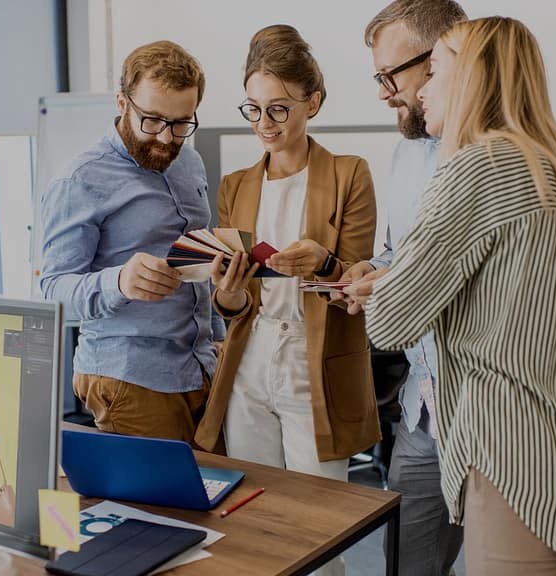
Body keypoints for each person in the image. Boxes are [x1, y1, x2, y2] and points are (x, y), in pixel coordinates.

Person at [354, 16, 556, 576]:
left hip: (506, 457)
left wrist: (392, 285)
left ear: (470, 78)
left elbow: (390, 323)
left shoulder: (474, 167)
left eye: (434, 71)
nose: (422, 90)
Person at [194, 27, 378, 573]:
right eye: (253, 109)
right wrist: (228, 294)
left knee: (318, 527)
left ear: (312, 102)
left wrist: (325, 263)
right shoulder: (235, 185)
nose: (264, 124)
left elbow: (359, 285)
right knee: (254, 520)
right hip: (249, 361)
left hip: (312, 360)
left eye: (278, 109)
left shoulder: (348, 174)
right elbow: (234, 305)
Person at [333, 2, 468, 574]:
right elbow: (400, 252)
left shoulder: (496, 162)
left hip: (485, 412)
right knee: (407, 563)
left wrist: (390, 289)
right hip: (423, 404)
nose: (385, 94)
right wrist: (370, 269)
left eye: (391, 76)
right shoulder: (408, 152)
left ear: (441, 60)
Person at [39, 41, 224, 443]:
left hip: (202, 367)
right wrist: (119, 282)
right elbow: (52, 292)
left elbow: (196, 265)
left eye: (181, 123)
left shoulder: (190, 163)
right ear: (122, 102)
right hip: (132, 376)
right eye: (153, 120)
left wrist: (219, 337)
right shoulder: (80, 180)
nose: (166, 138)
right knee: (168, 489)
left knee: (225, 484)